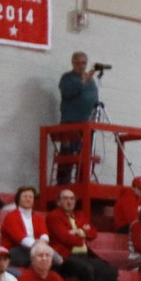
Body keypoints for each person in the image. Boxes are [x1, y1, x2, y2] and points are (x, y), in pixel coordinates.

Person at [45, 189, 119, 281]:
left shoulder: (79, 215)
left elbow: (93, 232)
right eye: (66, 198)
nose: (69, 201)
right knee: (87, 269)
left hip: (84, 255)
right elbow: (65, 238)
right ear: (59, 202)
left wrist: (78, 232)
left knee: (111, 271)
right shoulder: (54, 216)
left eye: (72, 199)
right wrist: (82, 233)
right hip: (65, 255)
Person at [57, 53, 102, 183]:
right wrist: (83, 82)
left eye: (84, 63)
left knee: (85, 155)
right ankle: (63, 183)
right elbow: (67, 93)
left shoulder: (90, 81)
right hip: (71, 123)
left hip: (87, 124)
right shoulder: (67, 78)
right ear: (73, 63)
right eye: (78, 63)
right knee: (68, 154)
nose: (81, 66)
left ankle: (82, 182)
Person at [0, 186, 45, 267]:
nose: (28, 199)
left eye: (31, 197)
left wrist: (42, 244)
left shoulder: (38, 218)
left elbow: (44, 236)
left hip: (35, 249)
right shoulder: (11, 217)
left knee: (45, 257)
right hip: (15, 250)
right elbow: (21, 239)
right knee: (39, 256)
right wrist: (39, 246)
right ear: (18, 199)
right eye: (25, 196)